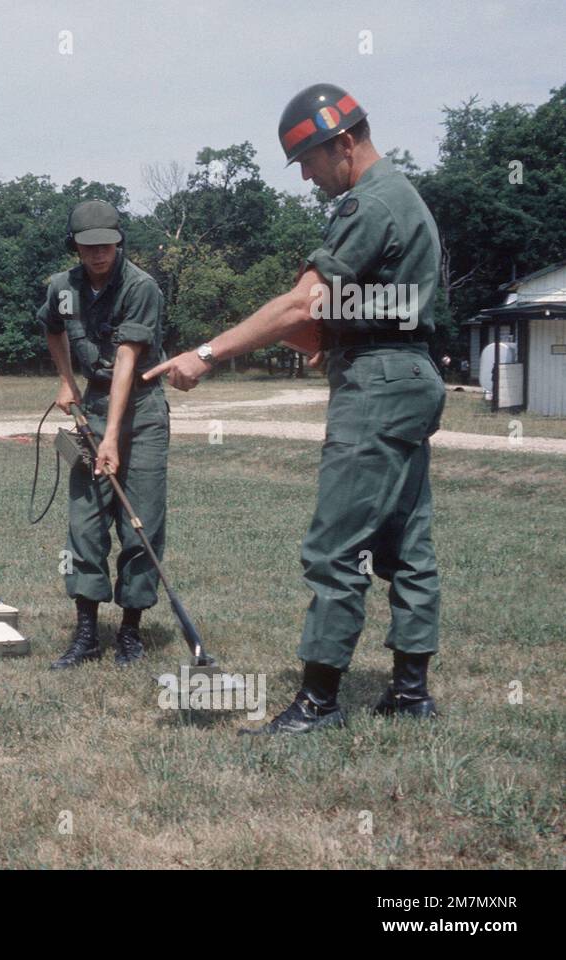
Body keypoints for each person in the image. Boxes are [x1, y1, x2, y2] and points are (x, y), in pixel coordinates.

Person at [146, 84, 446, 734]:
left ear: (344, 142)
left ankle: (317, 703)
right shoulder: (405, 197)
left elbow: (299, 304)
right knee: (405, 540)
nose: (308, 176)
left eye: (309, 159)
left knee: (334, 547)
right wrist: (334, 336)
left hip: (379, 386)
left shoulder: (369, 202)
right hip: (412, 373)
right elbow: (358, 308)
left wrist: (207, 352)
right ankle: (411, 692)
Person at [39, 200, 170, 669]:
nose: (98, 255)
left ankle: (130, 631)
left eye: (107, 246)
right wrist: (66, 380)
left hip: (142, 409)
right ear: (74, 246)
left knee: (142, 522)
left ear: (120, 243)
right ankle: (87, 632)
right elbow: (53, 328)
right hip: (91, 406)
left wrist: (111, 435)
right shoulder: (63, 287)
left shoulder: (140, 287)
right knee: (86, 523)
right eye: (88, 246)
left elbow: (128, 362)